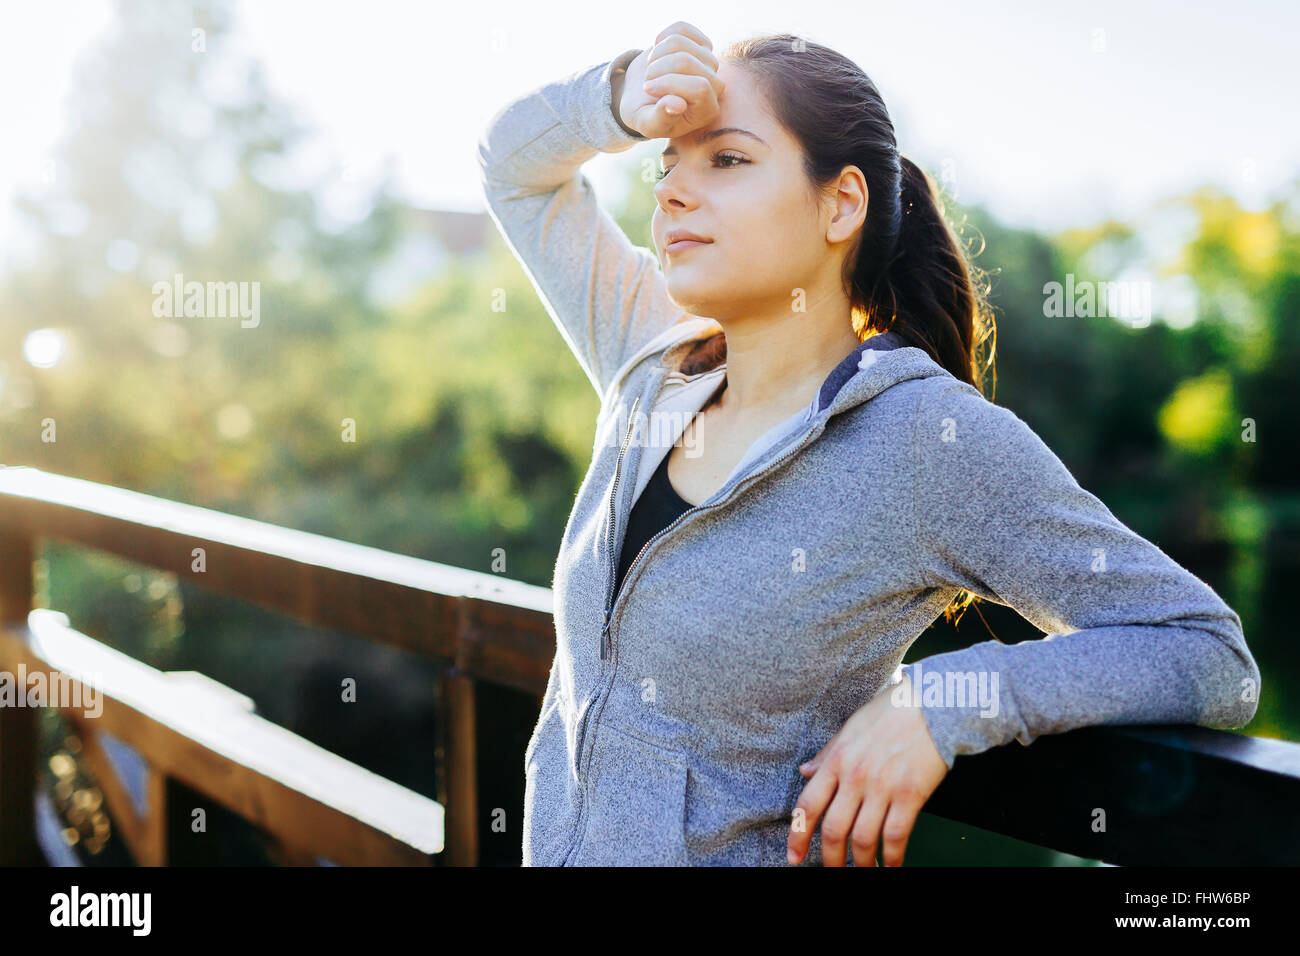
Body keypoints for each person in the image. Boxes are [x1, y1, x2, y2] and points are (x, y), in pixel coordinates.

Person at [476, 20, 1260, 866]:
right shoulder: (652, 363)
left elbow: (1207, 654)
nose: (669, 192)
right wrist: (618, 97)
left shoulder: (929, 441)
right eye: (666, 165)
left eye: (726, 159)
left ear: (841, 203)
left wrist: (946, 696)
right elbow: (513, 171)